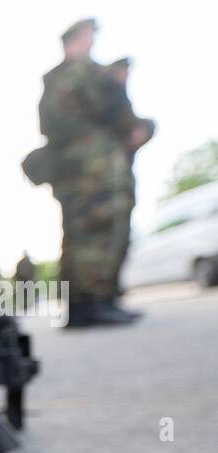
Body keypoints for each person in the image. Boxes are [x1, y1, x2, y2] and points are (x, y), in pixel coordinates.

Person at [37, 19, 152, 327]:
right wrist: (140, 128)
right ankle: (94, 303)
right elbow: (116, 112)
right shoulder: (86, 73)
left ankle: (86, 305)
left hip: (73, 170)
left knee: (79, 235)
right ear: (79, 37)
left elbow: (48, 126)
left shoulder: (53, 80)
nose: (93, 41)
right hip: (95, 167)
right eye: (90, 35)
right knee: (99, 233)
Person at [105, 57, 156, 300]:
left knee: (120, 235)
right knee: (103, 236)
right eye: (121, 72)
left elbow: (137, 130)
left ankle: (110, 292)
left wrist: (146, 128)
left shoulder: (121, 100)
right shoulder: (107, 98)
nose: (125, 77)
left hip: (120, 175)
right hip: (103, 177)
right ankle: (97, 295)